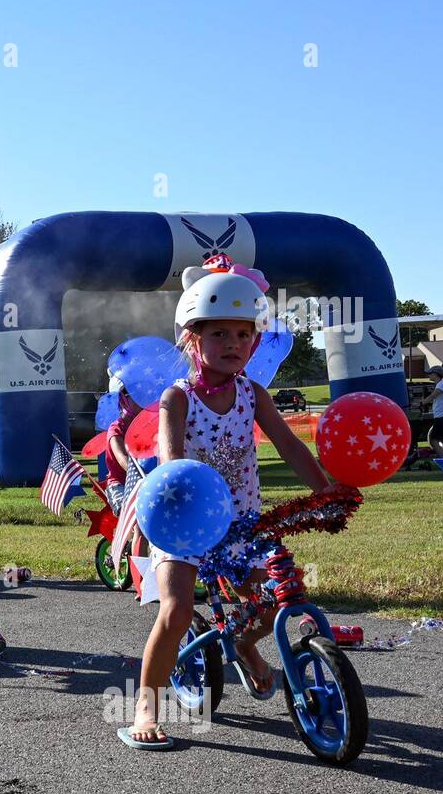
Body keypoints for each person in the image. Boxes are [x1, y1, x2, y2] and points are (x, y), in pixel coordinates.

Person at [121, 260, 332, 750]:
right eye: (219, 333)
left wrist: (325, 490)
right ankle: (145, 706)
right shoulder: (178, 398)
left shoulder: (252, 394)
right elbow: (172, 461)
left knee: (271, 603)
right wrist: (189, 498)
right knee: (175, 612)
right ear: (191, 340)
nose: (234, 343)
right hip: (184, 523)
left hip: (242, 524)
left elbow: (290, 446)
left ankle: (243, 644)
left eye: (243, 333)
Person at [103, 386, 141, 516]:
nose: (143, 401)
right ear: (124, 401)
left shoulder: (147, 425)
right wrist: (141, 475)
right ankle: (130, 535)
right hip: (120, 484)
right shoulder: (116, 429)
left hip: (145, 481)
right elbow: (122, 458)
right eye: (136, 397)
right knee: (128, 512)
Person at [420, 364, 443, 459]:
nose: (429, 375)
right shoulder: (440, 384)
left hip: (442, 416)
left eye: (430, 373)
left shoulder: (441, 384)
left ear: (436, 374)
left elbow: (433, 396)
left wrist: (423, 402)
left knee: (433, 440)